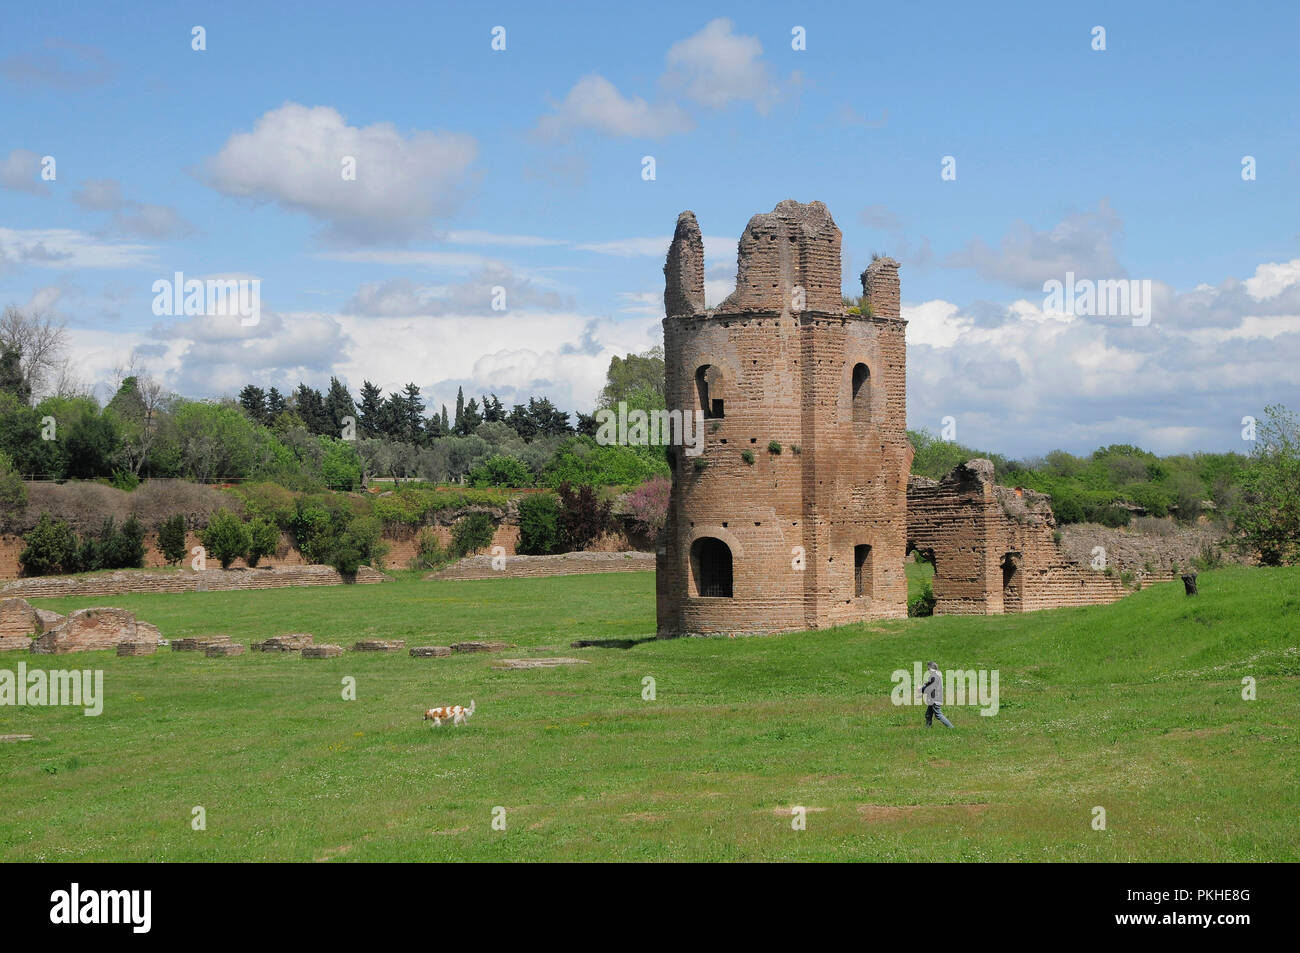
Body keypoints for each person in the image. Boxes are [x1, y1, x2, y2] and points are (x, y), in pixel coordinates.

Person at [918, 661, 954, 728]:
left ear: (931, 668)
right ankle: (927, 728)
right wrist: (925, 684)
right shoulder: (936, 675)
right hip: (933, 699)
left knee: (938, 715)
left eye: (928, 669)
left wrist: (921, 689)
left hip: (935, 699)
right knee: (928, 714)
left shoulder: (934, 676)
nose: (928, 670)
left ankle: (951, 728)